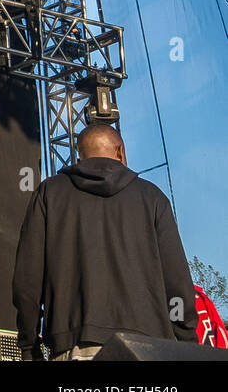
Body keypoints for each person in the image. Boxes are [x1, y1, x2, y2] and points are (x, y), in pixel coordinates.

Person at [12, 123, 199, 360]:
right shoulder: (152, 198)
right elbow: (177, 280)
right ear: (120, 152)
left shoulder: (49, 193)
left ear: (79, 154)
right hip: (149, 348)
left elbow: (27, 279)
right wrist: (188, 341)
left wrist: (28, 344)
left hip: (77, 346)